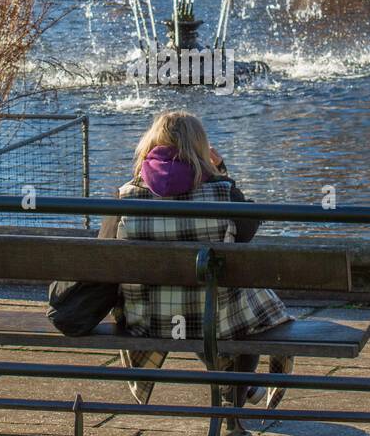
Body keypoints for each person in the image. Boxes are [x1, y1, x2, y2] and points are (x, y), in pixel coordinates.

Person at [98, 111, 293, 411]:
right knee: (235, 314)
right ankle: (232, 412)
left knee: (195, 305)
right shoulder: (222, 194)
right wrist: (222, 173)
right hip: (214, 321)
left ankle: (236, 392)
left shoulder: (126, 197)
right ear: (200, 148)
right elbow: (248, 229)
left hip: (148, 322)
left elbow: (103, 251)